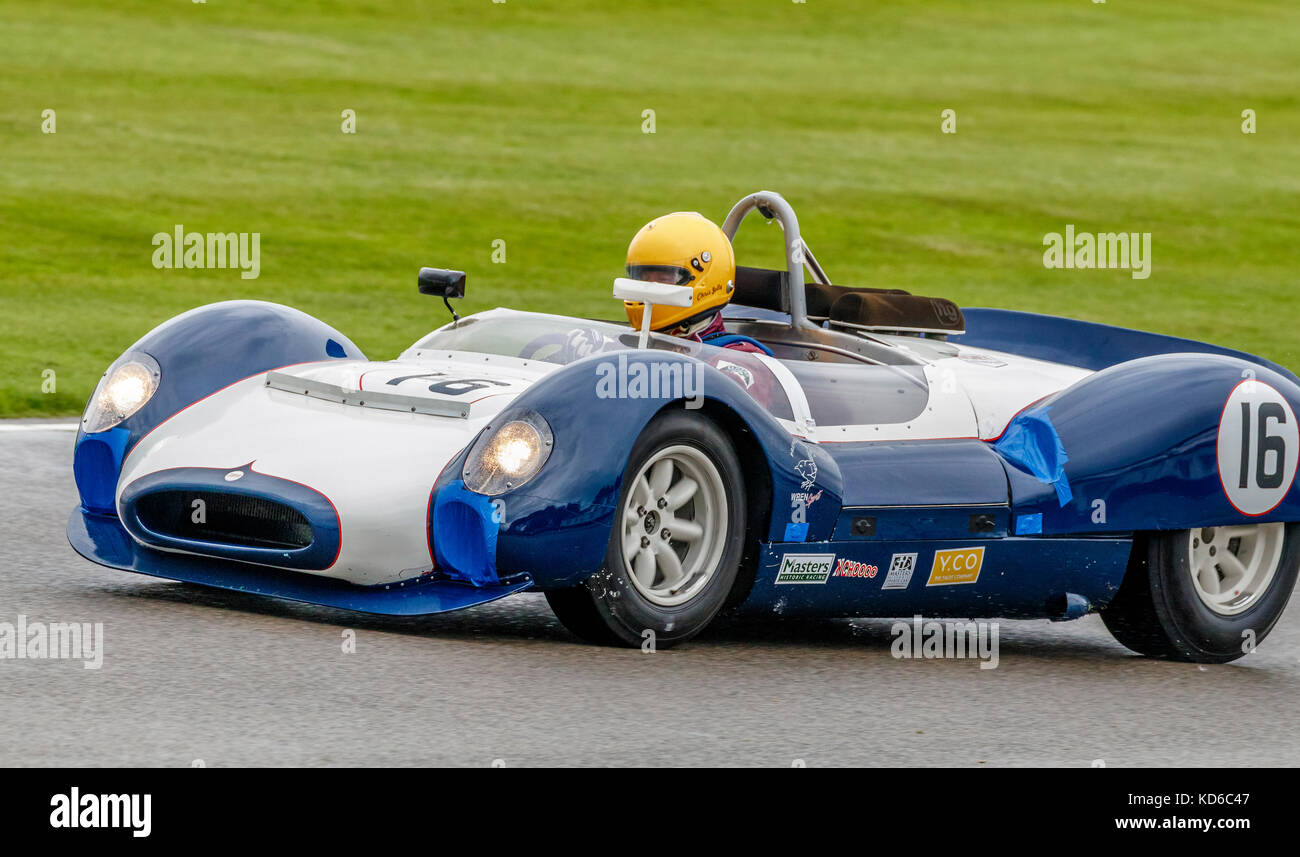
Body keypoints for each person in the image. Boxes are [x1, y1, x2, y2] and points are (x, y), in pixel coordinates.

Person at [623, 212, 773, 355]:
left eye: (663, 279)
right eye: (642, 279)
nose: (648, 289)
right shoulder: (621, 345)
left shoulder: (739, 358)